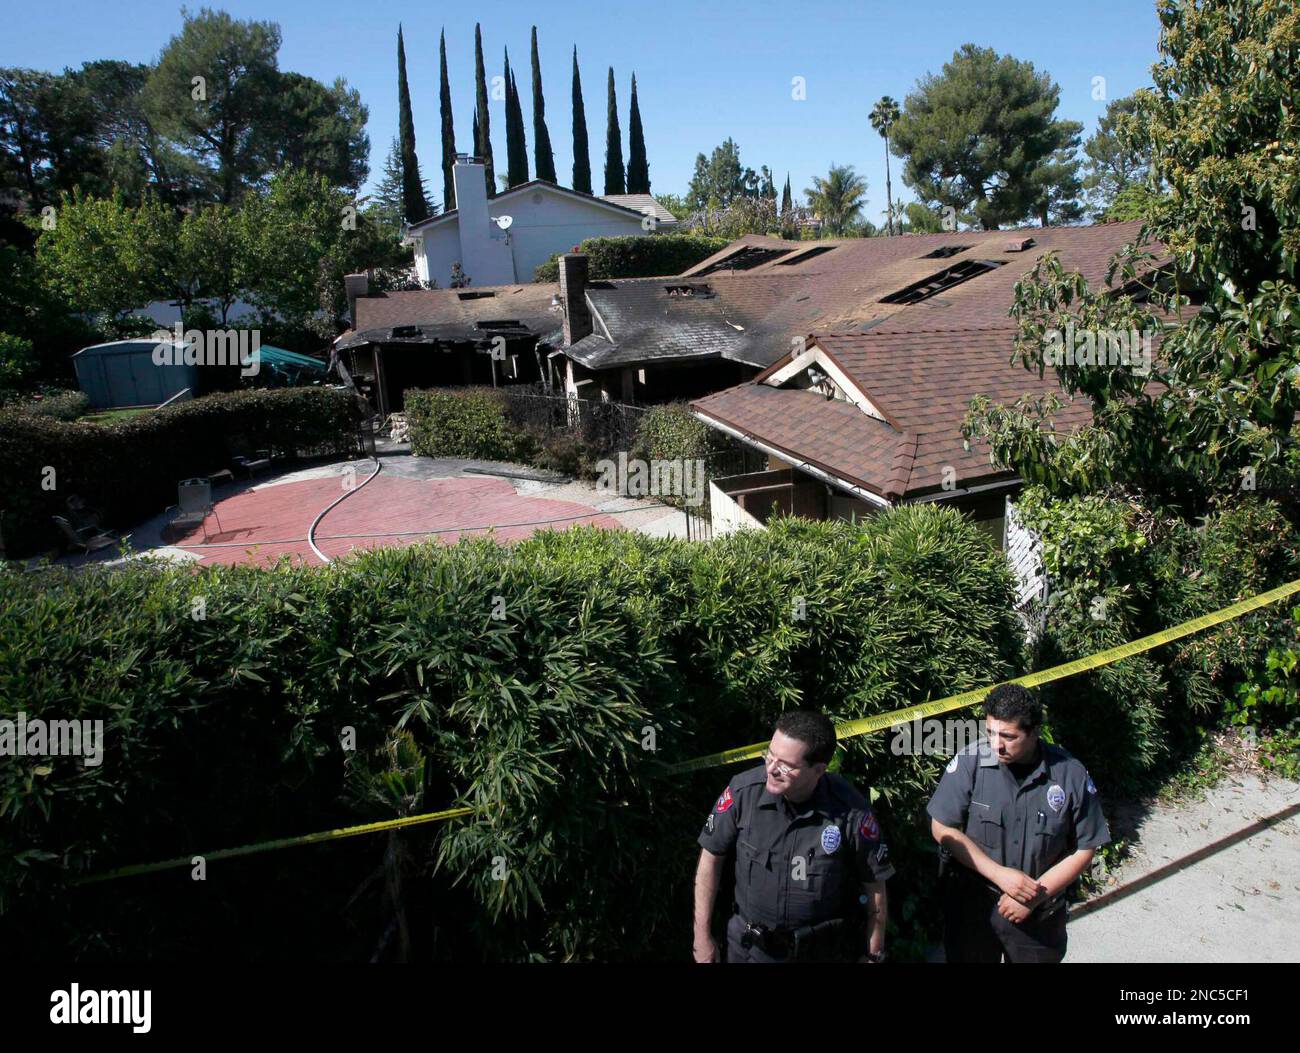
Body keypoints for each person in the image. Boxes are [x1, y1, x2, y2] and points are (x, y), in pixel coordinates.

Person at [693, 710, 894, 963]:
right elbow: (711, 857)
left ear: (818, 769)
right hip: (749, 950)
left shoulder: (850, 811)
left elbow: (874, 887)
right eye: (770, 756)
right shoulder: (743, 793)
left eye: (786, 765)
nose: (772, 769)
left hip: (819, 952)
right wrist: (701, 936)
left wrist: (873, 954)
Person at [927, 684, 1109, 963]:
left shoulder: (1069, 773)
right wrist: (999, 874)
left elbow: (1086, 846)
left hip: (1038, 918)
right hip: (975, 911)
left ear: (1034, 732)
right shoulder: (972, 761)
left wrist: (1033, 896)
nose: (996, 744)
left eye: (1009, 736)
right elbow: (941, 827)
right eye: (990, 733)